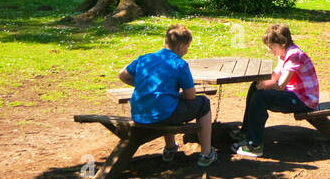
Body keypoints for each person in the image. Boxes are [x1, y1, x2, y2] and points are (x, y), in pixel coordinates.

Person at [118, 23, 216, 167]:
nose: (187, 51)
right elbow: (190, 97)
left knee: (167, 101)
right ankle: (206, 153)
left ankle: (170, 148)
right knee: (203, 103)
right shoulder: (179, 64)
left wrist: (142, 85)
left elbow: (122, 74)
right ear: (181, 46)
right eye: (187, 47)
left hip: (139, 113)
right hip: (163, 115)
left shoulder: (145, 58)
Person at [233, 23, 319, 157]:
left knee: (260, 97)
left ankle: (254, 145)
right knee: (255, 87)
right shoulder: (284, 54)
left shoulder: (294, 55)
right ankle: (246, 132)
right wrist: (261, 84)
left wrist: (264, 87)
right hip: (295, 93)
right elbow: (275, 77)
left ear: (282, 43)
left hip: (304, 100)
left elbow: (281, 85)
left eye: (271, 46)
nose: (269, 49)